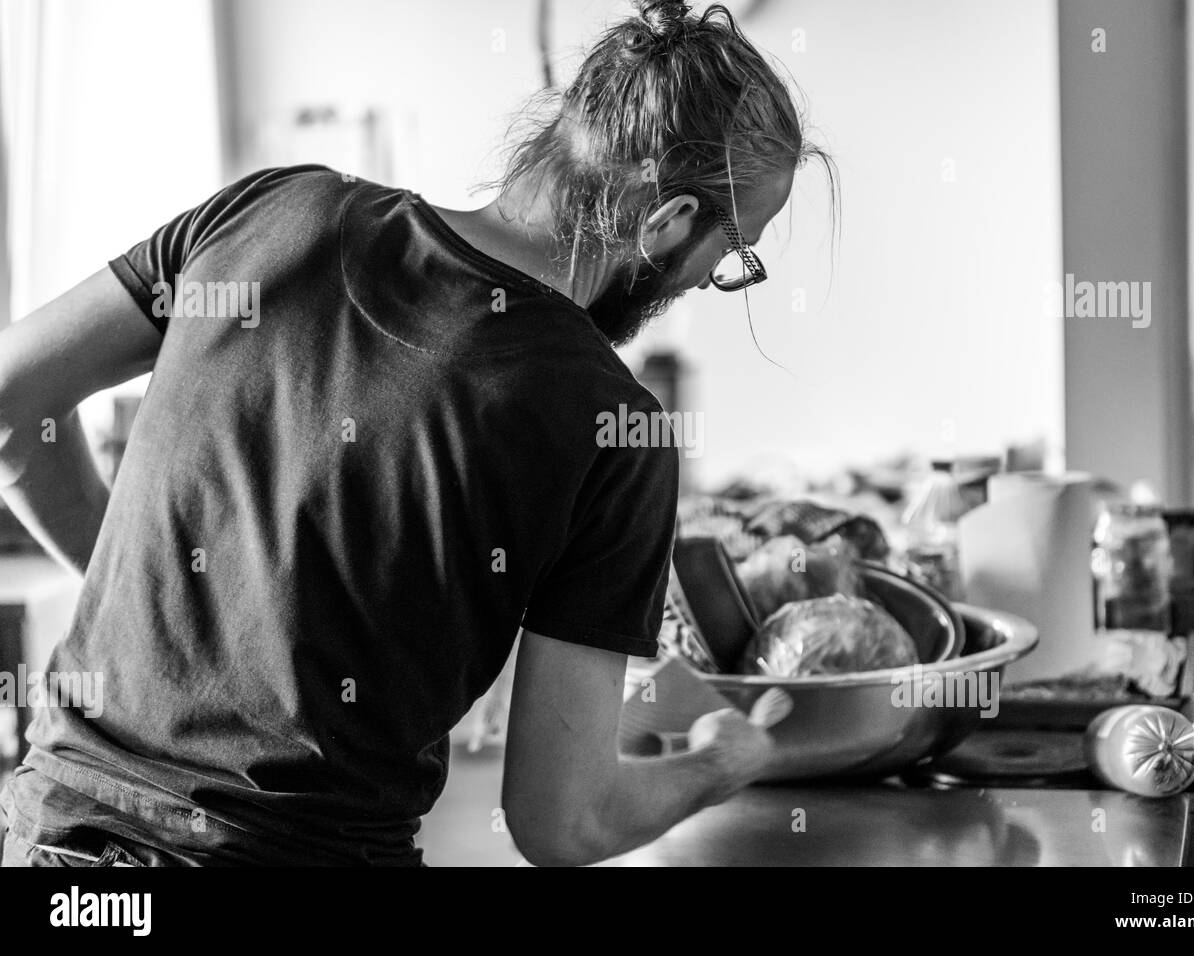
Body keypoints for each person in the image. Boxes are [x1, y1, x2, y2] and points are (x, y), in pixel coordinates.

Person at [0, 0, 831, 865]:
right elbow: (565, 820)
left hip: (55, 848)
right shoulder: (613, 427)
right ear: (667, 219)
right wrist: (724, 760)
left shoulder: (275, 207)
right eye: (733, 252)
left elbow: (10, 406)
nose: (706, 282)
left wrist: (159, 602)